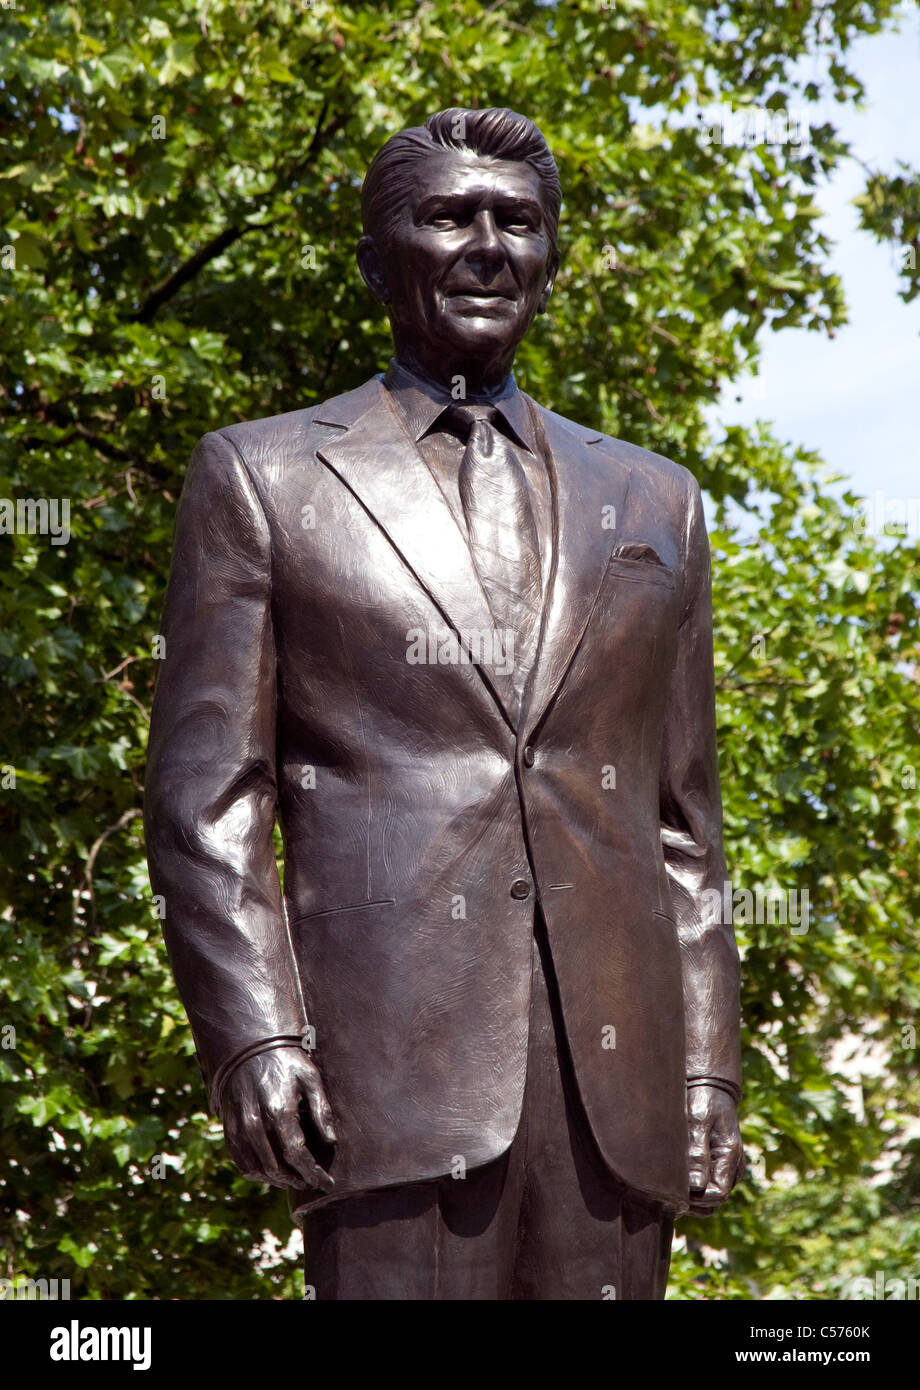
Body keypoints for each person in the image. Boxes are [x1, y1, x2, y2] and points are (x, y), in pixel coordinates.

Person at [145, 106, 743, 1300]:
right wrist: (256, 1036)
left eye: (516, 222)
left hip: (612, 1103)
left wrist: (707, 1070)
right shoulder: (261, 477)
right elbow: (209, 801)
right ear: (377, 261)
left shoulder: (655, 499)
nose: (486, 246)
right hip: (386, 1083)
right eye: (448, 217)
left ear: (549, 257)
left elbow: (683, 827)